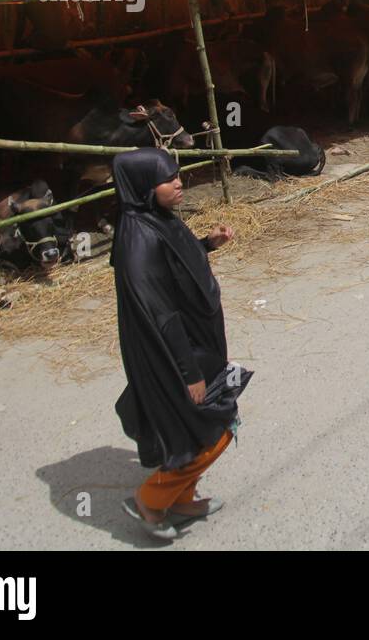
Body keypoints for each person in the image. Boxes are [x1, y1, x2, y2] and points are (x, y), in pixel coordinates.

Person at [110, 148, 251, 539]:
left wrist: (207, 243)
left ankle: (183, 498)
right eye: (168, 178)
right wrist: (189, 372)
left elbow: (174, 263)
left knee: (199, 426)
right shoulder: (136, 241)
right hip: (174, 354)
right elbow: (160, 314)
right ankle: (152, 499)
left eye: (177, 175)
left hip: (192, 342)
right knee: (218, 423)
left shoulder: (155, 220)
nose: (178, 183)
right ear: (142, 186)